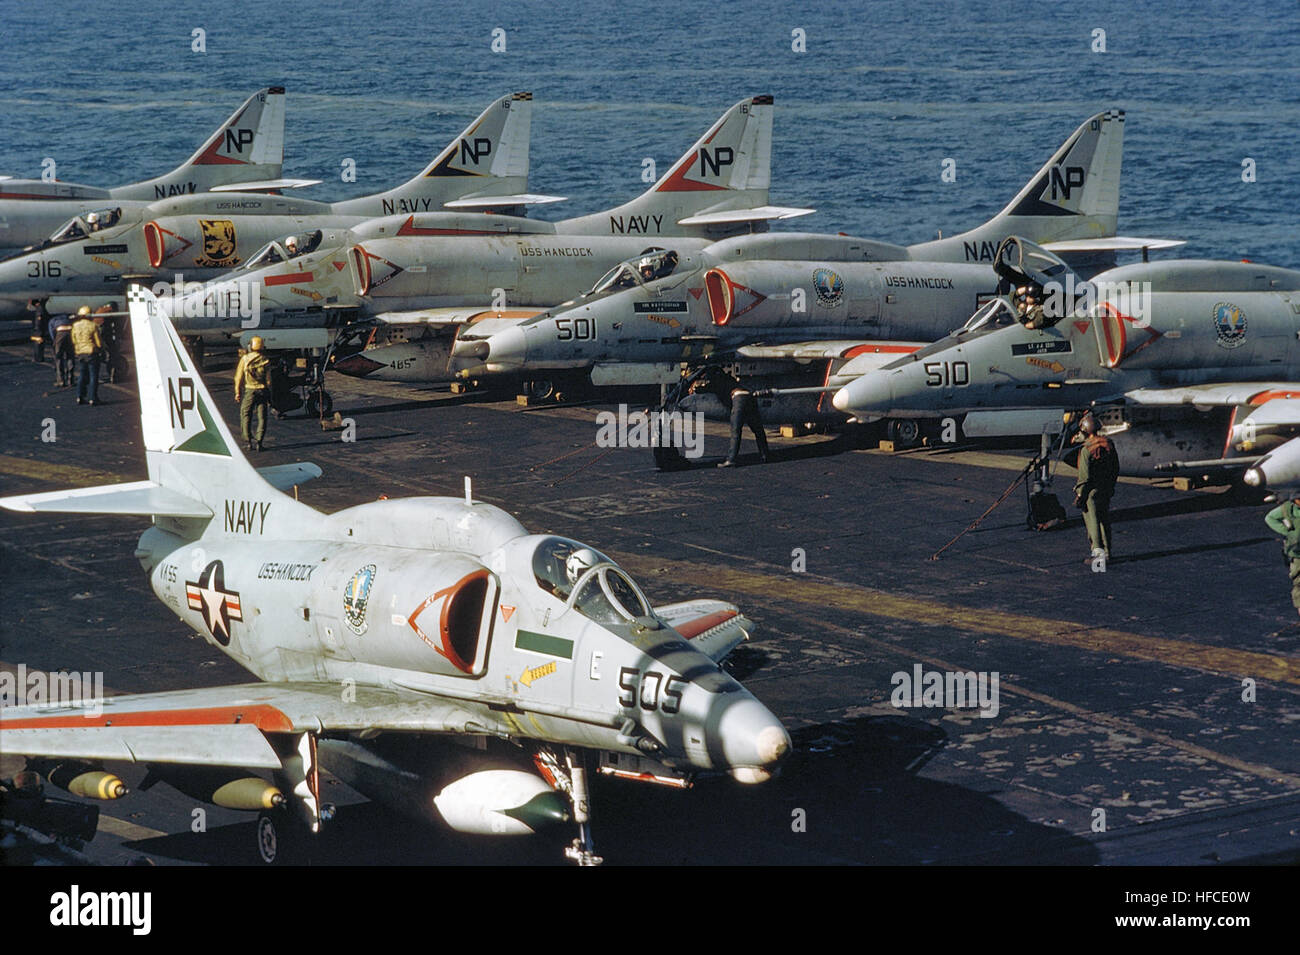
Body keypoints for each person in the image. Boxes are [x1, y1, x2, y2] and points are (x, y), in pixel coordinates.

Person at [1073, 412, 1119, 561]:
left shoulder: (1087, 450)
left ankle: (1098, 555)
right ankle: (1107, 552)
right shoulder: (1109, 444)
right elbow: (1115, 468)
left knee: (1093, 523)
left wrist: (1080, 495)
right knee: (1104, 520)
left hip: (1091, 492)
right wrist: (1111, 486)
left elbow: (1084, 477)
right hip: (1106, 489)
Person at [234, 336, 273, 451]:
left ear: (251, 346)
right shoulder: (265, 360)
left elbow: (238, 377)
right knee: (262, 417)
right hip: (262, 390)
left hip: (250, 391)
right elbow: (269, 381)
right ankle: (259, 442)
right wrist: (270, 394)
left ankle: (248, 441)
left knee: (245, 415)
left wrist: (237, 392)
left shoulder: (245, 359)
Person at [1264, 496, 1300, 618]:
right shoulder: (1286, 509)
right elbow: (1270, 518)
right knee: (1298, 584)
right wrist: (1288, 533)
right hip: (1296, 554)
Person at [70, 305, 102, 405]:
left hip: (80, 352)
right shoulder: (93, 325)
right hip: (91, 352)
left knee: (82, 375)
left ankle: (80, 396)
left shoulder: (75, 326)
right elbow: (98, 342)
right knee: (93, 376)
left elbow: (74, 340)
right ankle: (93, 398)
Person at [49, 311, 75, 386]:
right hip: (70, 334)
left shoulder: (53, 320)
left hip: (59, 335)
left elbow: (51, 332)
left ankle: (61, 380)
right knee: (70, 356)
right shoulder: (69, 319)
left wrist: (55, 341)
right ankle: (71, 380)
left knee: (58, 358)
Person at [27, 298, 50, 363]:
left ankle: (38, 358)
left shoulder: (39, 310)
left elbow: (38, 322)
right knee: (39, 346)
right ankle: (39, 358)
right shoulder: (40, 308)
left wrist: (37, 331)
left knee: (38, 346)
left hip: (38, 331)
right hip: (39, 330)